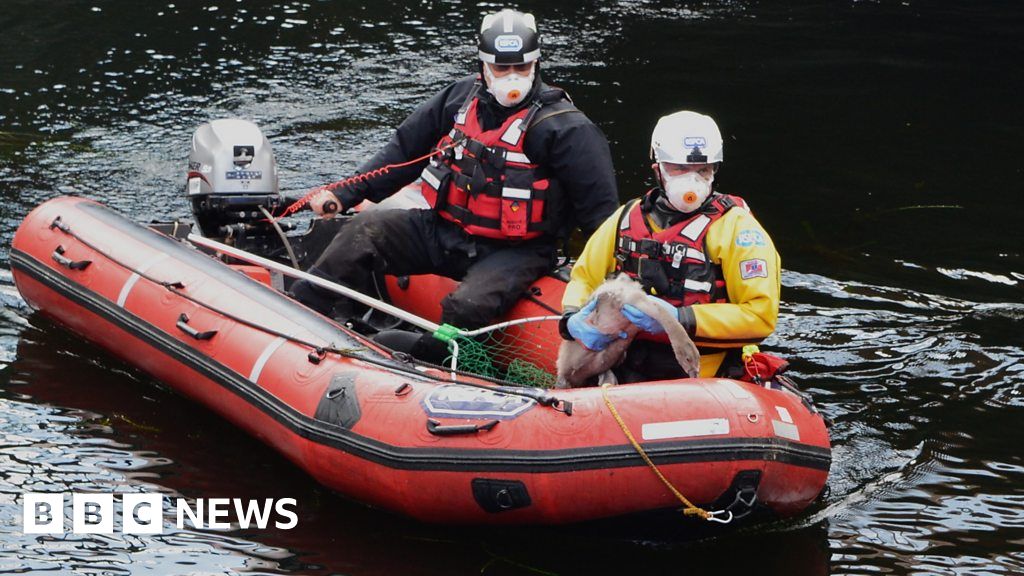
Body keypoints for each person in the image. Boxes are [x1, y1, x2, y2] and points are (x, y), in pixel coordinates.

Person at [292, 9, 619, 334]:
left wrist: (608, 283)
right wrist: (343, 193)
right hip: (444, 231)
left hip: (519, 251)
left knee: (465, 306)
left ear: (536, 63)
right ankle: (301, 310)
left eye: (521, 66)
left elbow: (601, 217)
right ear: (483, 64)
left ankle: (433, 358)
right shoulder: (459, 98)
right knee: (364, 231)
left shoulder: (567, 129)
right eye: (501, 67)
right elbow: (402, 153)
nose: (512, 77)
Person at [559, 110, 781, 381]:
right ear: (658, 169)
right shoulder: (626, 218)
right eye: (680, 169)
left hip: (703, 371)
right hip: (629, 360)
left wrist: (680, 316)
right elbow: (585, 277)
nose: (692, 180)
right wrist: (571, 317)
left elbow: (760, 314)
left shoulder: (737, 228)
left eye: (703, 170)